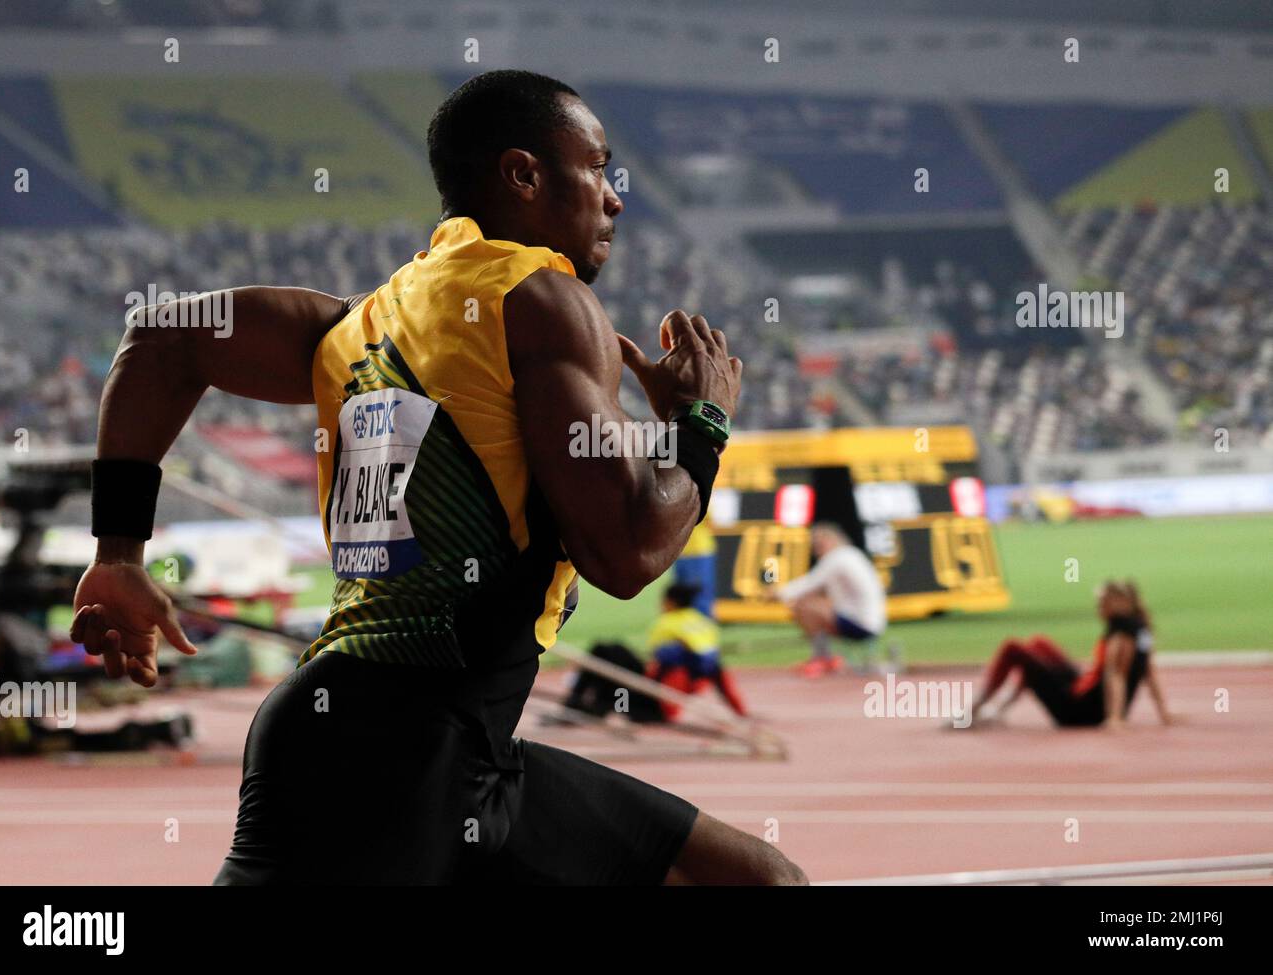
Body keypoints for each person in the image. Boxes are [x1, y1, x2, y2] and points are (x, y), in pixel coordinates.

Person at [69, 70, 806, 885]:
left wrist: (120, 551)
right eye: (596, 167)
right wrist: (700, 427)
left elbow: (164, 336)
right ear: (524, 174)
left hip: (417, 743)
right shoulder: (542, 297)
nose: (614, 198)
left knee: (751, 877)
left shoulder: (357, 323)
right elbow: (626, 553)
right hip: (405, 751)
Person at [965, 580, 1176, 729]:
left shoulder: (1121, 633)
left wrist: (1114, 717)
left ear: (1119, 602)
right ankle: (998, 710)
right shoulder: (1141, 630)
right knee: (1039, 644)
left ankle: (973, 710)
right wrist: (1164, 713)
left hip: (1080, 710)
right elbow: (1149, 673)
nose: (1098, 607)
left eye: (1102, 602)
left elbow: (1116, 675)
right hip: (1085, 693)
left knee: (1013, 649)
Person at [768, 522, 887, 678]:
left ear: (830, 540)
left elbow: (810, 583)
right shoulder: (851, 555)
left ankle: (822, 658)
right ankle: (823, 655)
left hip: (861, 624)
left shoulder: (838, 557)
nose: (817, 551)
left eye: (819, 545)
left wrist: (779, 593)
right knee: (811, 602)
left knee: (803, 606)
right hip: (868, 622)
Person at [646, 582, 748, 720]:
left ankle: (667, 712)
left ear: (671, 602)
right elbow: (711, 647)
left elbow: (656, 653)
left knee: (658, 668)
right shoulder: (703, 620)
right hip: (710, 671)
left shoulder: (665, 622)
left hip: (682, 674)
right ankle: (740, 710)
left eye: (663, 601)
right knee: (721, 678)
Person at [671, 514, 717, 617]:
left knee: (701, 591)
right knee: (682, 591)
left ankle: (703, 621)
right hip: (681, 552)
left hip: (699, 551)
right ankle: (682, 621)